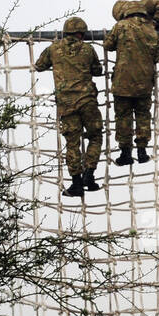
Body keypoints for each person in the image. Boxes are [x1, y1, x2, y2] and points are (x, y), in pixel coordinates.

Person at [34, 17, 105, 197]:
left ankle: (76, 183)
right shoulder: (88, 49)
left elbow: (39, 66)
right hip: (87, 101)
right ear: (82, 33)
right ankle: (89, 174)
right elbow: (98, 71)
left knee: (72, 143)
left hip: (66, 104)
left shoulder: (53, 49)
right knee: (95, 136)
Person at [103, 0, 159, 166]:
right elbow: (157, 55)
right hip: (144, 81)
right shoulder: (151, 28)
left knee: (123, 117)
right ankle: (142, 151)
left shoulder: (121, 26)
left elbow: (108, 44)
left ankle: (125, 152)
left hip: (123, 81)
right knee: (143, 115)